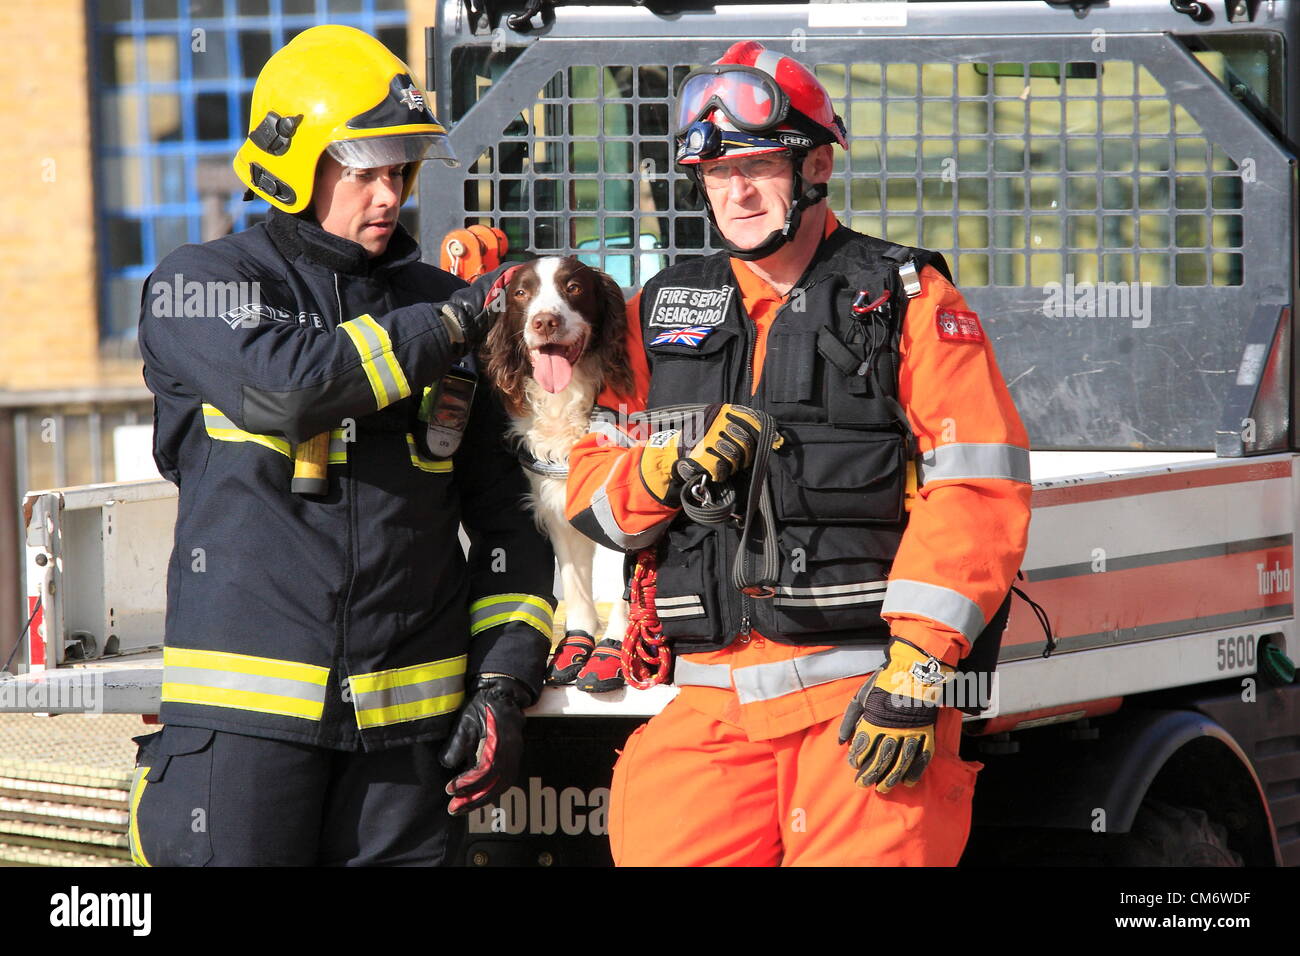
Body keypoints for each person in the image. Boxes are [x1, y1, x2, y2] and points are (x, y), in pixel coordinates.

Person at [564, 41, 1032, 866]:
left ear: (816, 165)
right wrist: (657, 471)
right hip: (708, 709)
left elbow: (976, 491)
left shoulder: (909, 302)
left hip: (864, 703)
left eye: (757, 166)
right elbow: (591, 487)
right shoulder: (658, 311)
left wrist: (918, 669)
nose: (735, 192)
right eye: (716, 173)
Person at [130, 24, 552, 866]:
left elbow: (511, 520)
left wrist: (504, 682)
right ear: (293, 163)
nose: (388, 195)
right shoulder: (200, 285)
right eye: (363, 171)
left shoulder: (439, 306)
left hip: (408, 751)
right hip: (243, 738)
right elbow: (291, 389)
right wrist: (450, 324)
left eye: (399, 171)